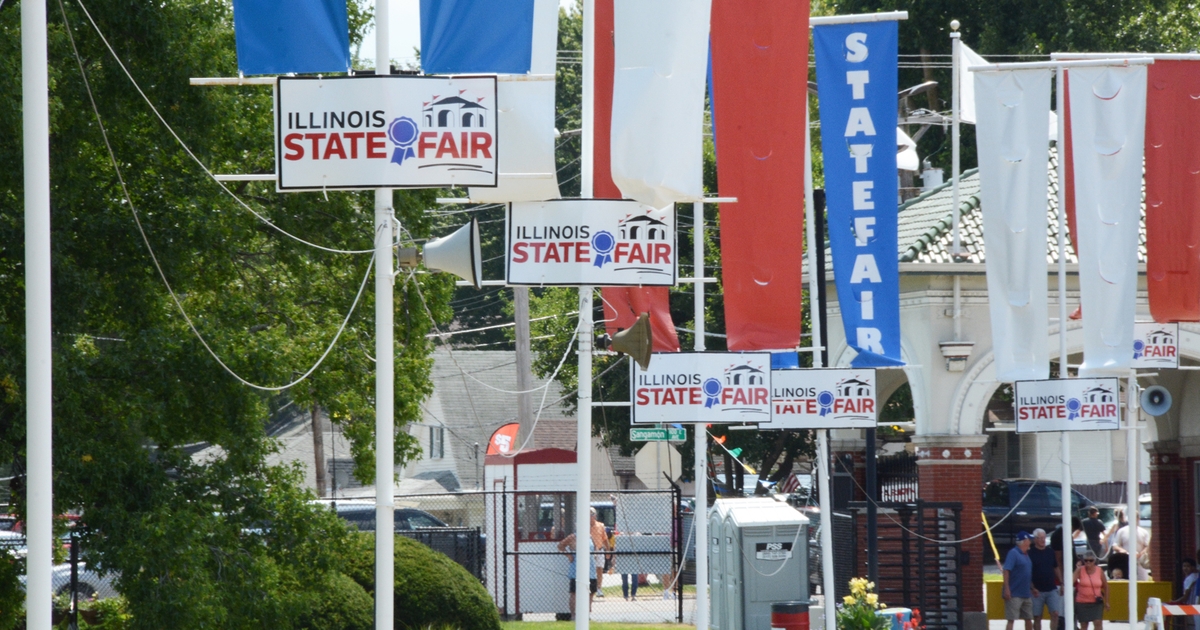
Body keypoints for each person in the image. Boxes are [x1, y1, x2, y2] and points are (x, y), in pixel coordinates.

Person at [557, 527, 596, 619]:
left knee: (591, 592)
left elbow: (595, 547)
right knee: (574, 592)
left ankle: (587, 614)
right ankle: (574, 615)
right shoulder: (573, 537)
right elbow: (560, 546)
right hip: (577, 569)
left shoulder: (590, 536)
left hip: (590, 569)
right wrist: (569, 556)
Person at [1029, 529, 1062, 630]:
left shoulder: (1050, 551)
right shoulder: (1030, 553)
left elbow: (1055, 567)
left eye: (1044, 538)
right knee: (1037, 617)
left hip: (1051, 588)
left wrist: (1062, 582)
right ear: (1035, 540)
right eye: (1040, 538)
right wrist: (1032, 587)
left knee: (1055, 613)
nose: (1043, 540)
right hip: (1037, 590)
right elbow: (1027, 572)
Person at [1004, 531, 1036, 630]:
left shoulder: (1026, 555)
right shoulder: (1013, 553)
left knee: (1029, 618)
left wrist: (1032, 588)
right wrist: (1007, 589)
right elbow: (1006, 570)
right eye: (1029, 540)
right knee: (1011, 619)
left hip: (1026, 593)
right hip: (1014, 593)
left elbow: (1026, 574)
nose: (1030, 542)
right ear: (1024, 541)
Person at [1073, 550, 1109, 630]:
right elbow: (1071, 581)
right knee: (1084, 625)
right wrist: (1077, 569)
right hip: (1082, 602)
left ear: (1094, 561)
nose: (1088, 562)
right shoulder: (1080, 570)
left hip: (1096, 602)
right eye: (1086, 560)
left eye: (1091, 560)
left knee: (1098, 623)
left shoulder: (1099, 570)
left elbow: (1106, 586)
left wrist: (1107, 602)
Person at [587, 508, 609, 597]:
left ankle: (599, 589)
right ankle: (589, 588)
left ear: (595, 516)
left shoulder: (600, 526)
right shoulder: (584, 526)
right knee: (589, 571)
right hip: (589, 551)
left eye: (592, 515)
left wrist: (608, 551)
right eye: (589, 515)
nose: (591, 517)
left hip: (599, 550)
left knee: (599, 570)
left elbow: (605, 539)